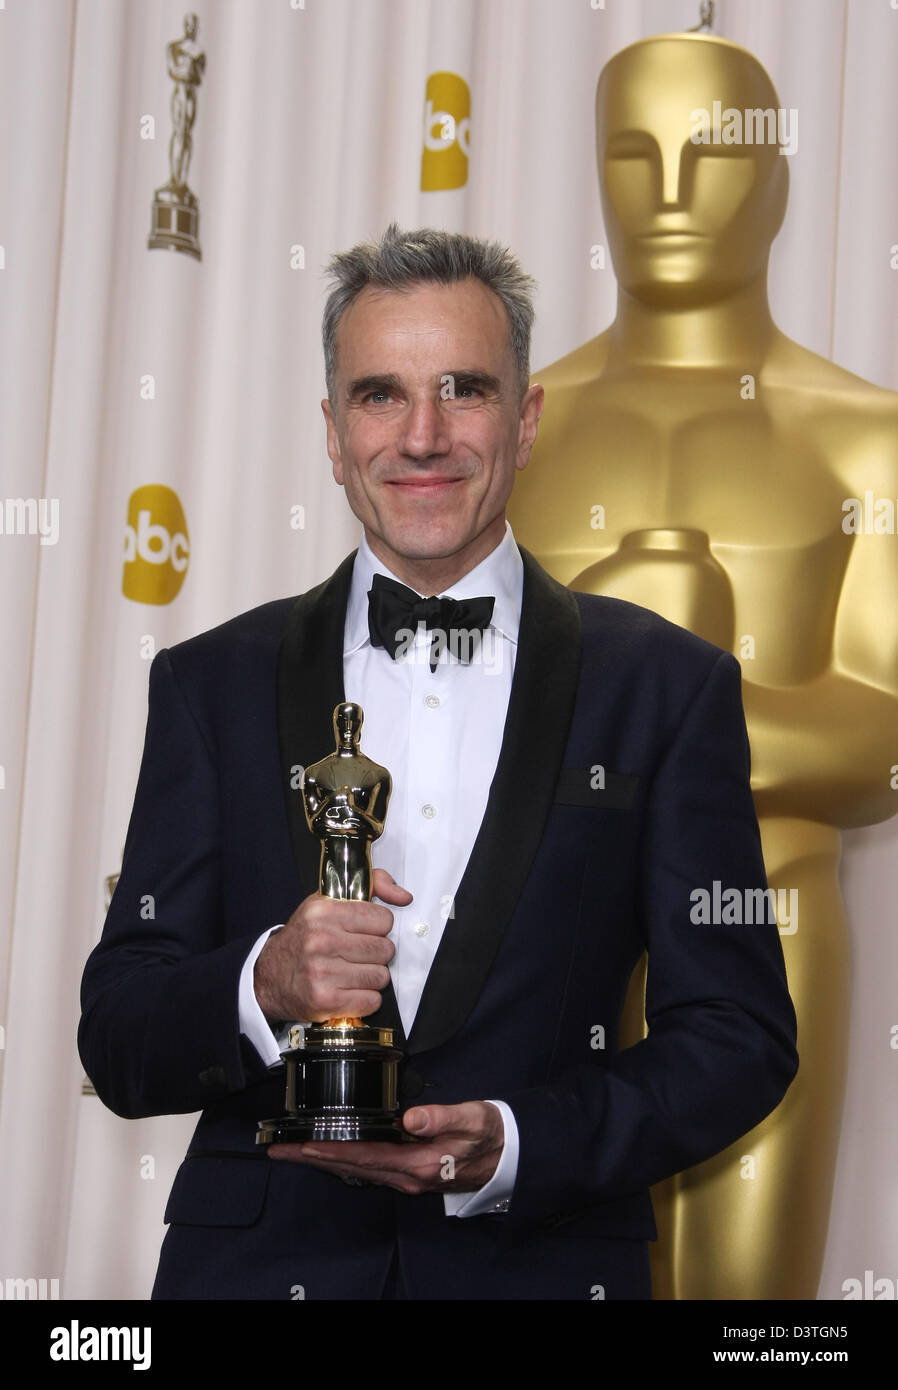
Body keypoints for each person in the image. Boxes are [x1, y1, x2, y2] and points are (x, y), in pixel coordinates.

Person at [78, 223, 798, 1300]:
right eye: (380, 394)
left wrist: (518, 1143)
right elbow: (119, 1031)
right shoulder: (209, 680)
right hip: (256, 1271)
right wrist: (263, 981)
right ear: (332, 432)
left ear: (527, 417)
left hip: (539, 1270)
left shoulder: (665, 685)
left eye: (464, 388)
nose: (422, 434)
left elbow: (738, 1035)